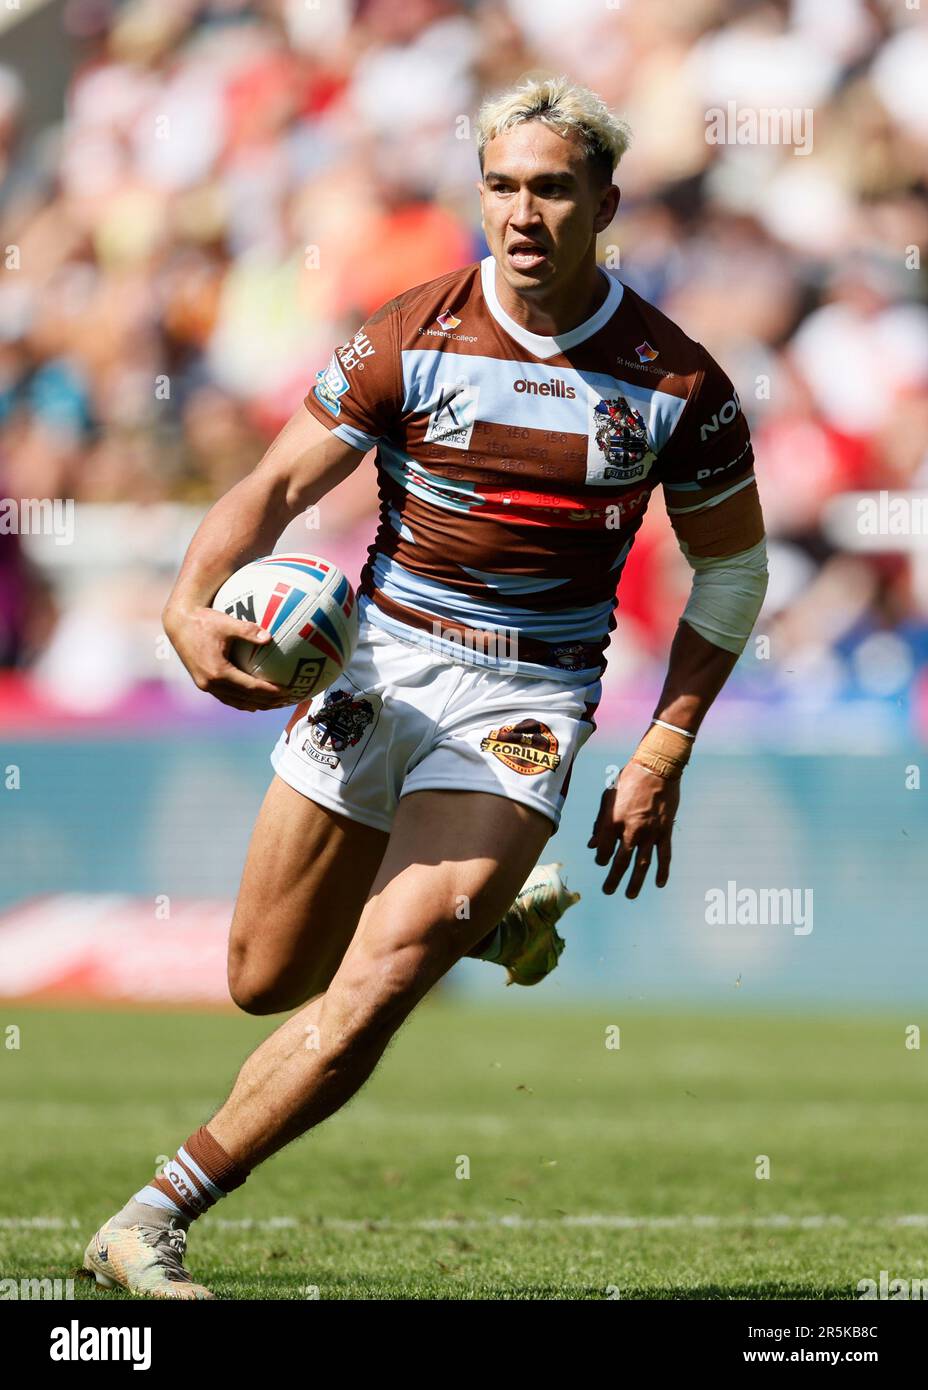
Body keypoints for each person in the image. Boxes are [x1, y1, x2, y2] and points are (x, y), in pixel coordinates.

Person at [82, 74, 768, 1299]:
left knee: (377, 987)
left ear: (604, 200)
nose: (523, 211)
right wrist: (187, 606)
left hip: (524, 704)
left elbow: (731, 567)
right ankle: (492, 918)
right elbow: (278, 487)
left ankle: (150, 1216)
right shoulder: (412, 328)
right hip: (380, 667)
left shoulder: (676, 381)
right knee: (265, 980)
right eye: (502, 184)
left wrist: (662, 748)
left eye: (553, 187)